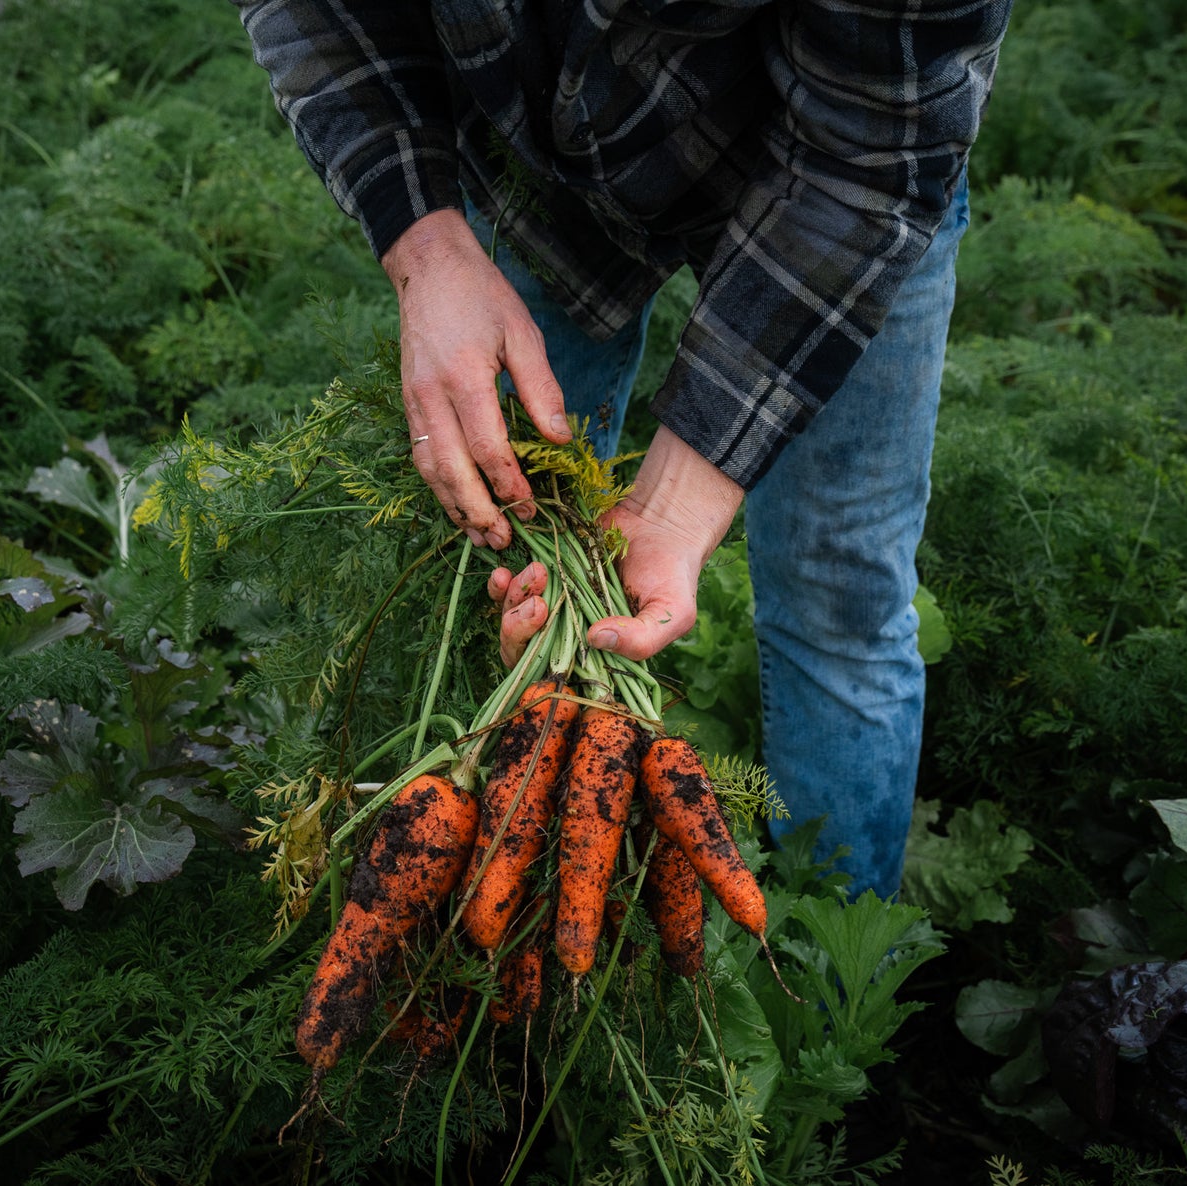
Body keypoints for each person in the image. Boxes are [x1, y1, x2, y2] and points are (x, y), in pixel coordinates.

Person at [237, 0, 1012, 897]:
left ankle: (832, 979)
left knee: (841, 588)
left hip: (848, 183)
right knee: (496, 543)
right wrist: (428, 249)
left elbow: (874, 156)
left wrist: (679, 506)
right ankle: (499, 926)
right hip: (542, 168)